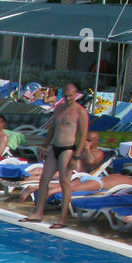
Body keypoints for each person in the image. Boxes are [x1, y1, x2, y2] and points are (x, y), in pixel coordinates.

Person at [23, 82, 90, 228]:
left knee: (64, 182)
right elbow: (53, 128)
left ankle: (62, 219)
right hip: (54, 147)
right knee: (44, 179)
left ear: (76, 95)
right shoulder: (59, 108)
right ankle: (38, 212)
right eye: (66, 96)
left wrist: (76, 156)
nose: (68, 98)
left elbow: (83, 136)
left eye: (71, 96)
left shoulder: (80, 112)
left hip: (68, 149)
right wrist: (44, 146)